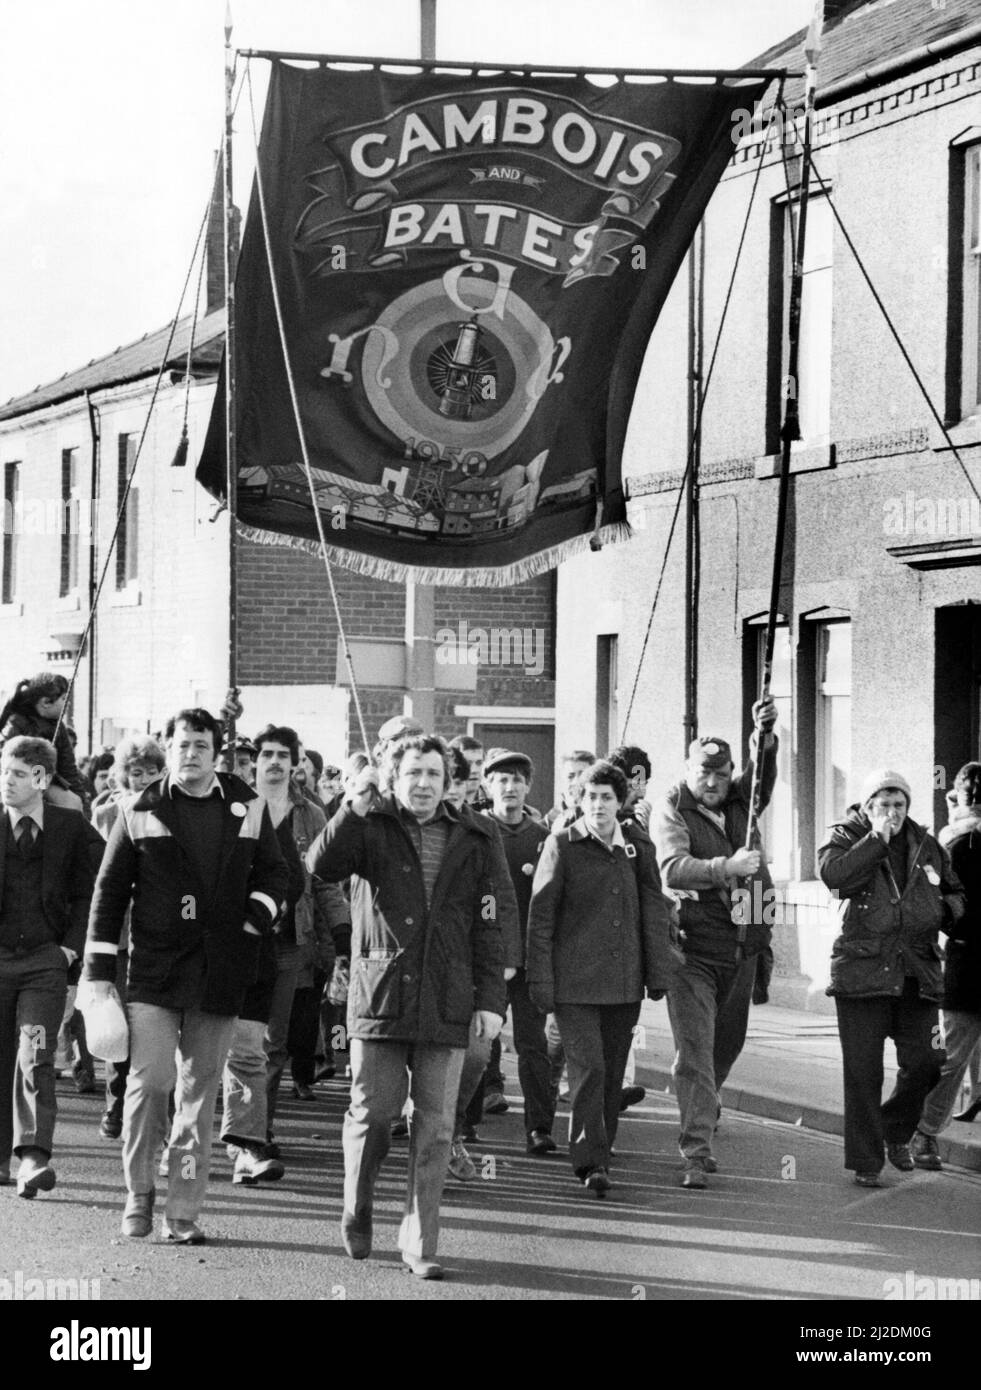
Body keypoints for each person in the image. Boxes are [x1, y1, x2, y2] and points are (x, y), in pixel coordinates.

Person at [82, 707, 288, 1243]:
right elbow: (107, 898)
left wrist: (254, 918)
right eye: (181, 744)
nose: (190, 753)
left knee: (198, 1099)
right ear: (167, 749)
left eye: (200, 744)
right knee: (151, 1084)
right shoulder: (139, 808)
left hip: (221, 974)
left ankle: (183, 1211)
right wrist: (99, 973)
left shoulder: (248, 805)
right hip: (155, 972)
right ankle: (138, 1193)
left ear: (215, 752)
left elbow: (277, 874)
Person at [307, 734, 505, 1279]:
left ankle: (420, 1240)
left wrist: (491, 999)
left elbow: (492, 921)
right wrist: (352, 806)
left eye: (433, 775)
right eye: (413, 773)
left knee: (438, 1126)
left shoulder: (477, 835)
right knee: (374, 1115)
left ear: (448, 782)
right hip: (382, 992)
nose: (423, 783)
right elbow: (320, 866)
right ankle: (358, 1202)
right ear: (393, 776)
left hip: (449, 997)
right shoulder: (369, 824)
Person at [528, 760, 677, 1196]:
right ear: (579, 800)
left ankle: (601, 1151)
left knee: (612, 1073)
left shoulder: (637, 847)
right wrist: (541, 982)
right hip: (574, 984)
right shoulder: (562, 844)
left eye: (607, 797)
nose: (598, 805)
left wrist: (657, 971)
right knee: (589, 1068)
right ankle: (590, 1161)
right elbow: (541, 919)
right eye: (590, 797)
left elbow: (654, 908)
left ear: (621, 802)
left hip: (623, 982)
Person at [818, 768, 965, 1188]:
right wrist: (876, 840)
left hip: (917, 973)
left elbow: (955, 891)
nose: (892, 813)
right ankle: (867, 1161)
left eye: (899, 805)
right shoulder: (847, 837)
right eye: (883, 805)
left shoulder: (927, 844)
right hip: (861, 974)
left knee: (931, 1060)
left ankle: (896, 1132)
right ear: (867, 807)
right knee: (863, 1074)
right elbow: (834, 876)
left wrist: (945, 911)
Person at [652, 699, 778, 1188]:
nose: (711, 782)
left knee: (728, 1043)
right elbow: (672, 868)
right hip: (692, 950)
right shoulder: (671, 808)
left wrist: (764, 733)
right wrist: (727, 867)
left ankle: (706, 1102)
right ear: (688, 770)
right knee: (696, 1052)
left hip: (743, 945)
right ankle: (696, 1150)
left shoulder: (740, 803)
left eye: (721, 774)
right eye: (703, 773)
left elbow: (762, 774)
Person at [0, 736, 100, 1196]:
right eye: (4, 770)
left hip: (44, 965)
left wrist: (71, 947)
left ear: (41, 778)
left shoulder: (71, 827)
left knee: (34, 1052)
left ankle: (33, 1158)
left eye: (18, 773)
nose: (7, 780)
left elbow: (100, 884)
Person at [92, 736, 166, 1141]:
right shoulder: (105, 815)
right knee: (117, 1026)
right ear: (123, 776)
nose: (144, 779)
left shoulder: (171, 813)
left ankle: (152, 1114)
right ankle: (116, 1101)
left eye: (152, 772)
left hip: (155, 936)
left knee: (153, 1028)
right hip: (117, 937)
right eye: (136, 772)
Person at [482, 748, 554, 1155]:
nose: (509, 788)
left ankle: (539, 1127)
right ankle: (469, 1121)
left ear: (528, 786)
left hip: (528, 959)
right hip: (487, 956)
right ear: (487, 786)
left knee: (533, 1044)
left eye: (517, 781)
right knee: (480, 1039)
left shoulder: (543, 838)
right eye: (501, 780)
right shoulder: (477, 831)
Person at [911, 763, 981, 1166]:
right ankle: (923, 1132)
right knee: (953, 1054)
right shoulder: (960, 844)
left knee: (959, 1049)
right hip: (970, 962)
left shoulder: (954, 840)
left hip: (967, 957)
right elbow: (948, 907)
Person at [0, 673, 88, 810]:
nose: (68, 703)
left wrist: (84, 809)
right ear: (46, 703)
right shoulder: (16, 723)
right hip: (16, 780)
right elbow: (11, 763)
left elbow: (69, 771)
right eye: (64, 699)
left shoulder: (60, 729)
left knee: (73, 803)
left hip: (45, 781)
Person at [545, 750, 595, 829]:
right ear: (561, 781)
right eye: (570, 776)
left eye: (583, 776)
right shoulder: (544, 827)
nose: (576, 782)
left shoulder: (602, 824)